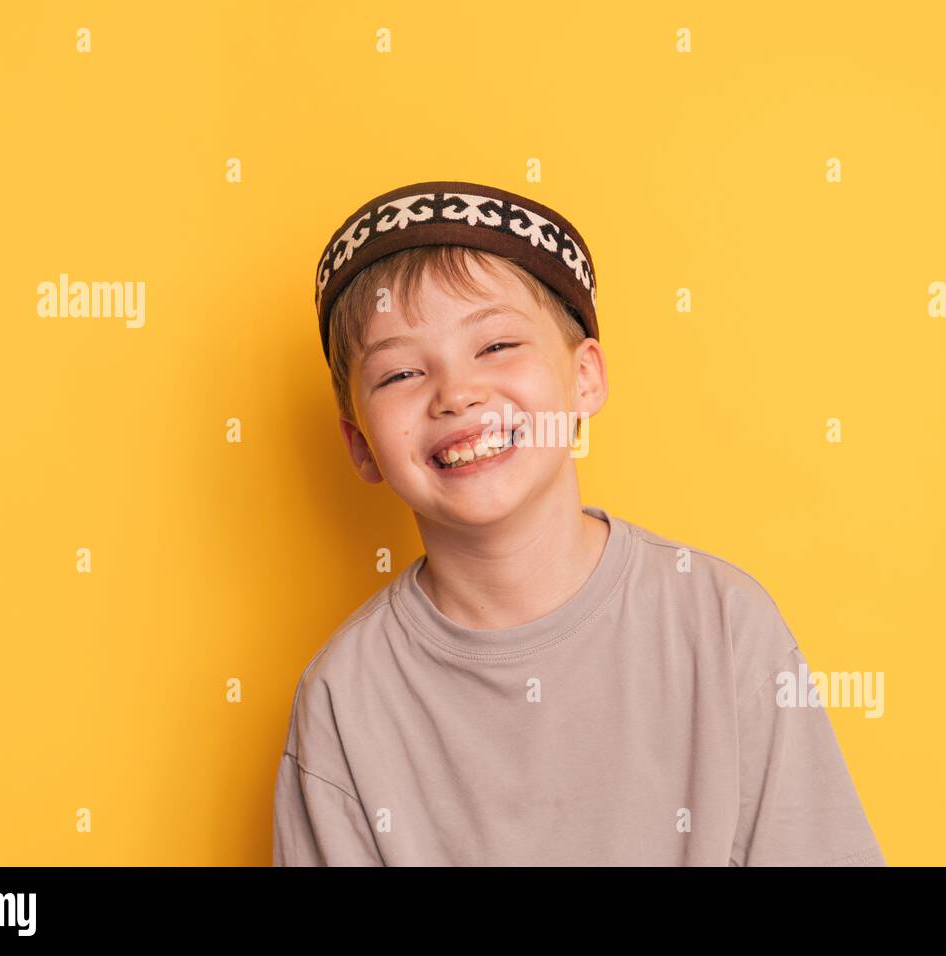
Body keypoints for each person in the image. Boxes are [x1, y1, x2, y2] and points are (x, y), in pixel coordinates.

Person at [271, 180, 885, 865]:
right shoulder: (343, 699)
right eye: (402, 373)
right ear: (360, 445)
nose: (457, 393)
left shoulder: (721, 624)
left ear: (585, 378)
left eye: (498, 345)